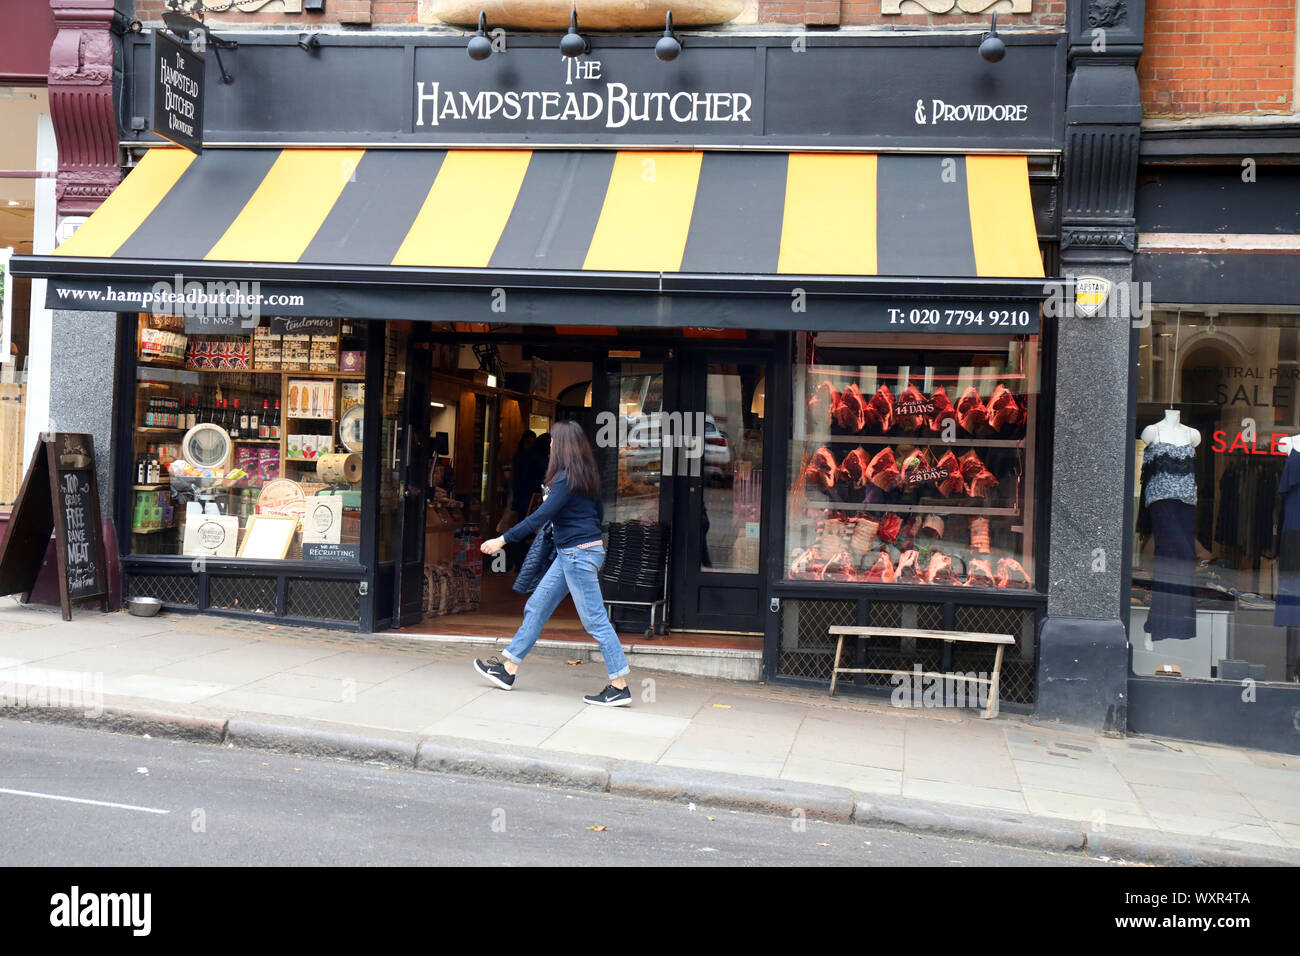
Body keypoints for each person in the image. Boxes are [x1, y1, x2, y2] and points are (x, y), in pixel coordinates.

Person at [474, 420, 631, 706]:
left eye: (554, 441)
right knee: (538, 605)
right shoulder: (585, 476)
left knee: (595, 620)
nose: (551, 445)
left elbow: (540, 516)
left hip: (577, 554)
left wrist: (502, 540)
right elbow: (597, 513)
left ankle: (619, 685)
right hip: (574, 551)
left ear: (563, 446)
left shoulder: (566, 479)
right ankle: (508, 669)